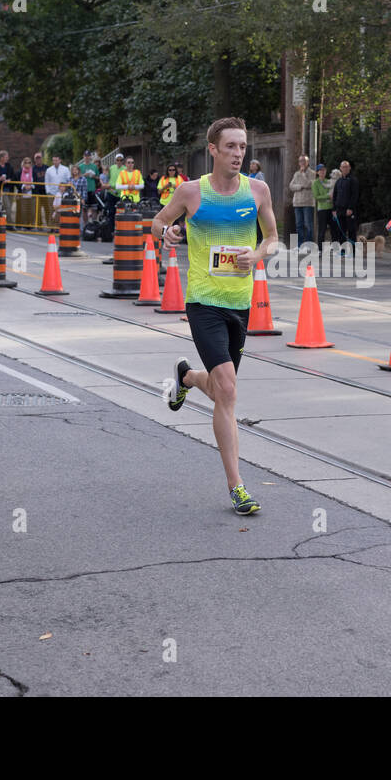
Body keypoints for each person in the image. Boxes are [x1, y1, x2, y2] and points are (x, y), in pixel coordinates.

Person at [152, 117, 280, 516]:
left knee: (222, 387)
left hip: (240, 303)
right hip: (203, 301)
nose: (238, 154)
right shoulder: (191, 192)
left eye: (243, 147)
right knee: (228, 389)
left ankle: (187, 378)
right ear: (213, 150)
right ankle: (237, 487)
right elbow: (159, 221)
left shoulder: (257, 191)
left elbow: (274, 238)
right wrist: (166, 234)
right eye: (230, 147)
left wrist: (257, 254)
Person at [288, 153, 316, 246]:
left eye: (304, 161)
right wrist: (300, 186)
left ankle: (308, 245)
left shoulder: (312, 173)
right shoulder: (296, 174)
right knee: (299, 225)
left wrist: (303, 175)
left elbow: (309, 184)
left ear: (307, 162)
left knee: (308, 225)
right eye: (300, 161)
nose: (302, 163)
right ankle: (300, 245)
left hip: (308, 203)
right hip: (297, 203)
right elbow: (291, 186)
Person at [332, 159, 358, 246]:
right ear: (340, 168)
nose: (345, 168)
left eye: (347, 167)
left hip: (349, 210)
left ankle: (353, 251)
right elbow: (335, 195)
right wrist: (334, 209)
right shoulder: (338, 181)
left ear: (349, 168)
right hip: (339, 210)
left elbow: (355, 195)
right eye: (343, 167)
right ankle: (342, 250)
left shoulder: (353, 180)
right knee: (341, 230)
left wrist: (350, 208)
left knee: (351, 230)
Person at [312, 162, 335, 244]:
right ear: (317, 172)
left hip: (331, 208)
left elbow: (334, 193)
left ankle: (334, 248)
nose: (322, 172)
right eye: (320, 170)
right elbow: (317, 197)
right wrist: (328, 196)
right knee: (322, 229)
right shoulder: (315, 183)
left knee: (334, 229)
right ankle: (320, 249)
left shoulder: (329, 181)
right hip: (322, 209)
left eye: (324, 170)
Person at [31, 151, 49, 227]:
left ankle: (49, 225)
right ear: (34, 159)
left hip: (45, 192)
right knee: (37, 210)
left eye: (39, 158)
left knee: (47, 209)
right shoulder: (32, 169)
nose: (38, 159)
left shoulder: (47, 168)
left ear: (42, 158)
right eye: (36, 158)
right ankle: (39, 225)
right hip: (36, 192)